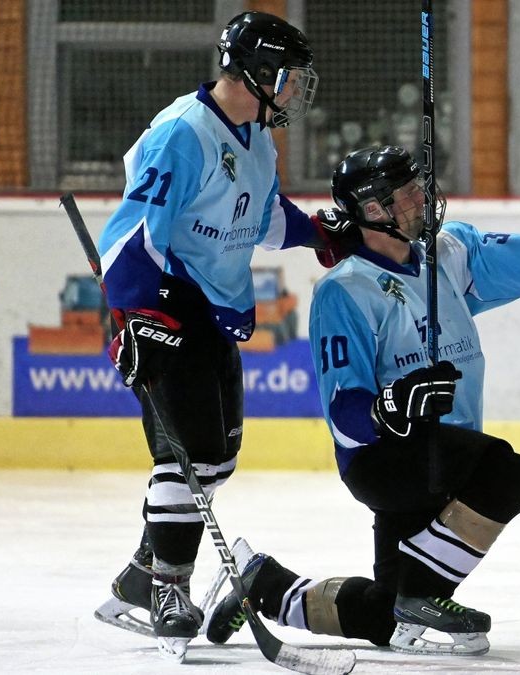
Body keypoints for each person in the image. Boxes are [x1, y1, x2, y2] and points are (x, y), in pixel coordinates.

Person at [199, 144, 520, 656]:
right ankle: (421, 594)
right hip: (390, 461)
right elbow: (344, 415)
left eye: (418, 185)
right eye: (407, 193)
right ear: (374, 210)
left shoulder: (451, 253)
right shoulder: (345, 291)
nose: (422, 197)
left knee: (385, 614)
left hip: (447, 453)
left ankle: (265, 586)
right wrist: (391, 406)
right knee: (507, 473)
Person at [89, 11, 335, 662]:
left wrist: (320, 235)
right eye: (288, 79)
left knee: (217, 456)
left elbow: (262, 216)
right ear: (256, 71)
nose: (293, 93)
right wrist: (133, 317)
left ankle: (141, 575)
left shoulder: (255, 138)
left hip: (214, 310)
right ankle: (168, 587)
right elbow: (131, 234)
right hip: (167, 305)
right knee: (189, 455)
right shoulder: (185, 132)